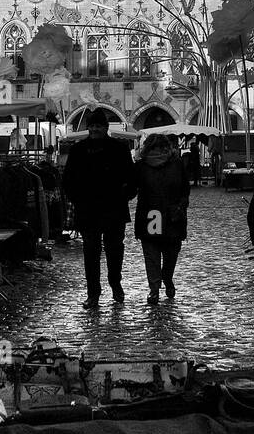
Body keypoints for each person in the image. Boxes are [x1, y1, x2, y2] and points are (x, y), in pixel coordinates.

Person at [62, 108, 137, 308]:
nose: (95, 129)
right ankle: (93, 293)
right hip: (88, 209)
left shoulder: (119, 148)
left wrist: (125, 195)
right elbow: (68, 179)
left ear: (105, 128)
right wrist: (77, 199)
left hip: (114, 208)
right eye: (92, 126)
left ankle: (115, 284)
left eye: (99, 126)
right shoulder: (79, 150)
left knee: (115, 250)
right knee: (91, 253)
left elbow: (131, 178)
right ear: (89, 128)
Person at [134, 133, 190, 305]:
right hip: (152, 216)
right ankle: (154, 289)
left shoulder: (176, 165)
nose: (160, 151)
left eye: (162, 147)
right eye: (155, 147)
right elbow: (132, 188)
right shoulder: (142, 166)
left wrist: (181, 206)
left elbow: (184, 188)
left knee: (171, 253)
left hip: (172, 215)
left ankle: (167, 277)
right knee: (152, 253)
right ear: (148, 149)